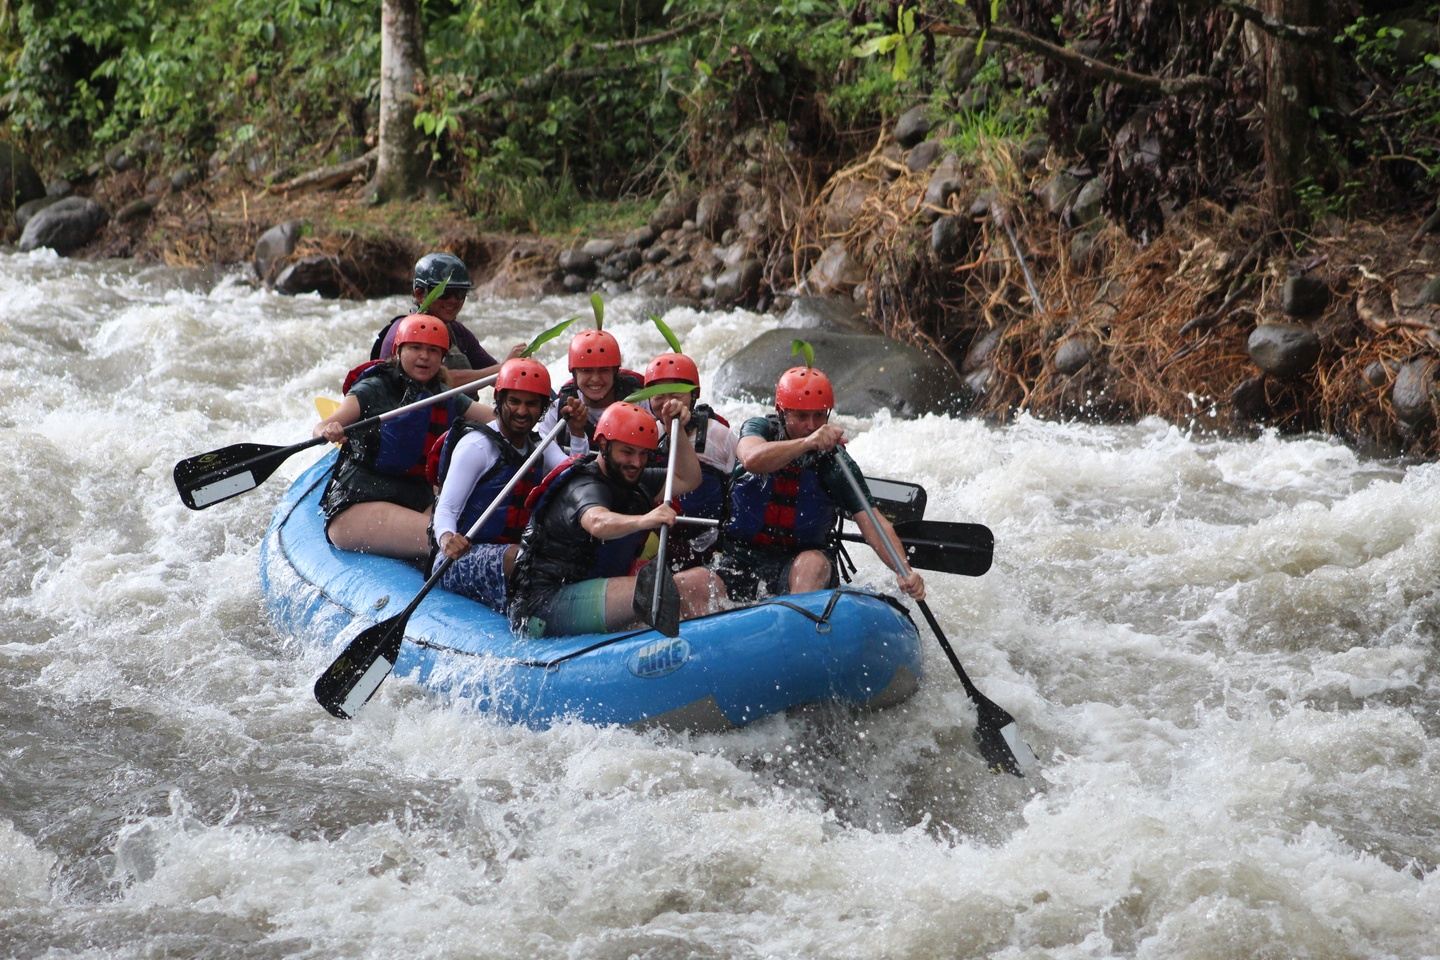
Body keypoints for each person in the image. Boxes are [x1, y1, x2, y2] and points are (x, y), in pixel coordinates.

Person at [508, 400, 728, 638]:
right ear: (603, 444)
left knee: (704, 583)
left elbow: (689, 478)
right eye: (627, 452)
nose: (636, 462)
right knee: (677, 588)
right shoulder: (583, 485)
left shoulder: (635, 479)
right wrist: (646, 519)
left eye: (644, 454)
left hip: (591, 590)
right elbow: (597, 522)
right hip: (546, 602)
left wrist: (675, 430)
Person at [716, 365, 925, 602]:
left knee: (812, 565)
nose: (812, 425)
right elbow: (752, 459)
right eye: (802, 416)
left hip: (800, 562)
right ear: (782, 412)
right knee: (691, 583)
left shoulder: (834, 461)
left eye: (819, 415)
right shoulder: (758, 429)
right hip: (742, 561)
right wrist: (807, 443)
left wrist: (903, 571)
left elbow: (872, 521)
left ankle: (796, 628)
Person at [315, 314, 494, 561]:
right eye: (416, 347)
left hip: (417, 499)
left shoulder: (443, 395)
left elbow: (496, 419)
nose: (424, 356)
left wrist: (536, 410)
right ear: (398, 351)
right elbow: (326, 424)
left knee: (475, 528)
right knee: (449, 543)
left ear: (442, 358)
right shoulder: (374, 387)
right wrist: (329, 429)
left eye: (433, 350)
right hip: (360, 503)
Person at [429, 358, 590, 611]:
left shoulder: (539, 446)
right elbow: (446, 509)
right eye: (514, 401)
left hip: (515, 555)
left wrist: (578, 433)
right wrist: (447, 538)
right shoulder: (476, 446)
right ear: (500, 400)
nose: (522, 411)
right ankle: (529, 615)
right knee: (522, 558)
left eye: (531, 404)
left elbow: (573, 475)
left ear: (543, 408)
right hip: (457, 560)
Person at [641, 351, 736, 571]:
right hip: (662, 538)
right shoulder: (646, 434)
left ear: (694, 395)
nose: (667, 403)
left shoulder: (717, 435)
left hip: (709, 541)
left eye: (675, 395)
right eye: (659, 396)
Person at [372, 252, 525, 386]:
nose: (453, 300)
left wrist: (518, 368)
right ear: (419, 294)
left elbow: (496, 377)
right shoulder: (401, 332)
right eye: (444, 292)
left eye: (460, 293)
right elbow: (436, 380)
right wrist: (504, 368)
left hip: (461, 414)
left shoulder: (458, 332)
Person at [538, 327, 644, 440]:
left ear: (615, 372)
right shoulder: (558, 409)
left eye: (604, 370)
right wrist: (576, 433)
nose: (595, 379)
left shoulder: (639, 401)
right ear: (574, 374)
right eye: (586, 371)